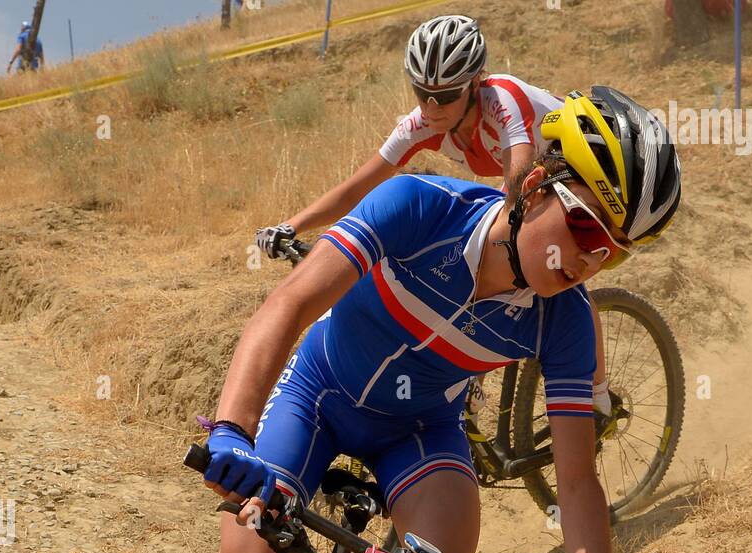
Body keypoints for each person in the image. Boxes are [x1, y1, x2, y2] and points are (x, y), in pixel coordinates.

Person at [108, 86, 681, 553]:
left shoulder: (566, 319)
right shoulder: (419, 208)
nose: (587, 260)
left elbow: (576, 478)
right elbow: (286, 305)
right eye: (583, 230)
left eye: (612, 251)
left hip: (419, 431)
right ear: (539, 184)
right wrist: (233, 433)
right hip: (317, 397)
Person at [258, 14, 612, 413]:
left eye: (444, 97)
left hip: (570, 171)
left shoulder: (502, 100)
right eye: (420, 91)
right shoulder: (423, 122)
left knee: (558, 274)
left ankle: (596, 394)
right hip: (527, 175)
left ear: (475, 85)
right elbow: (358, 187)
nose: (430, 106)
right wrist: (292, 224)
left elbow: (517, 188)